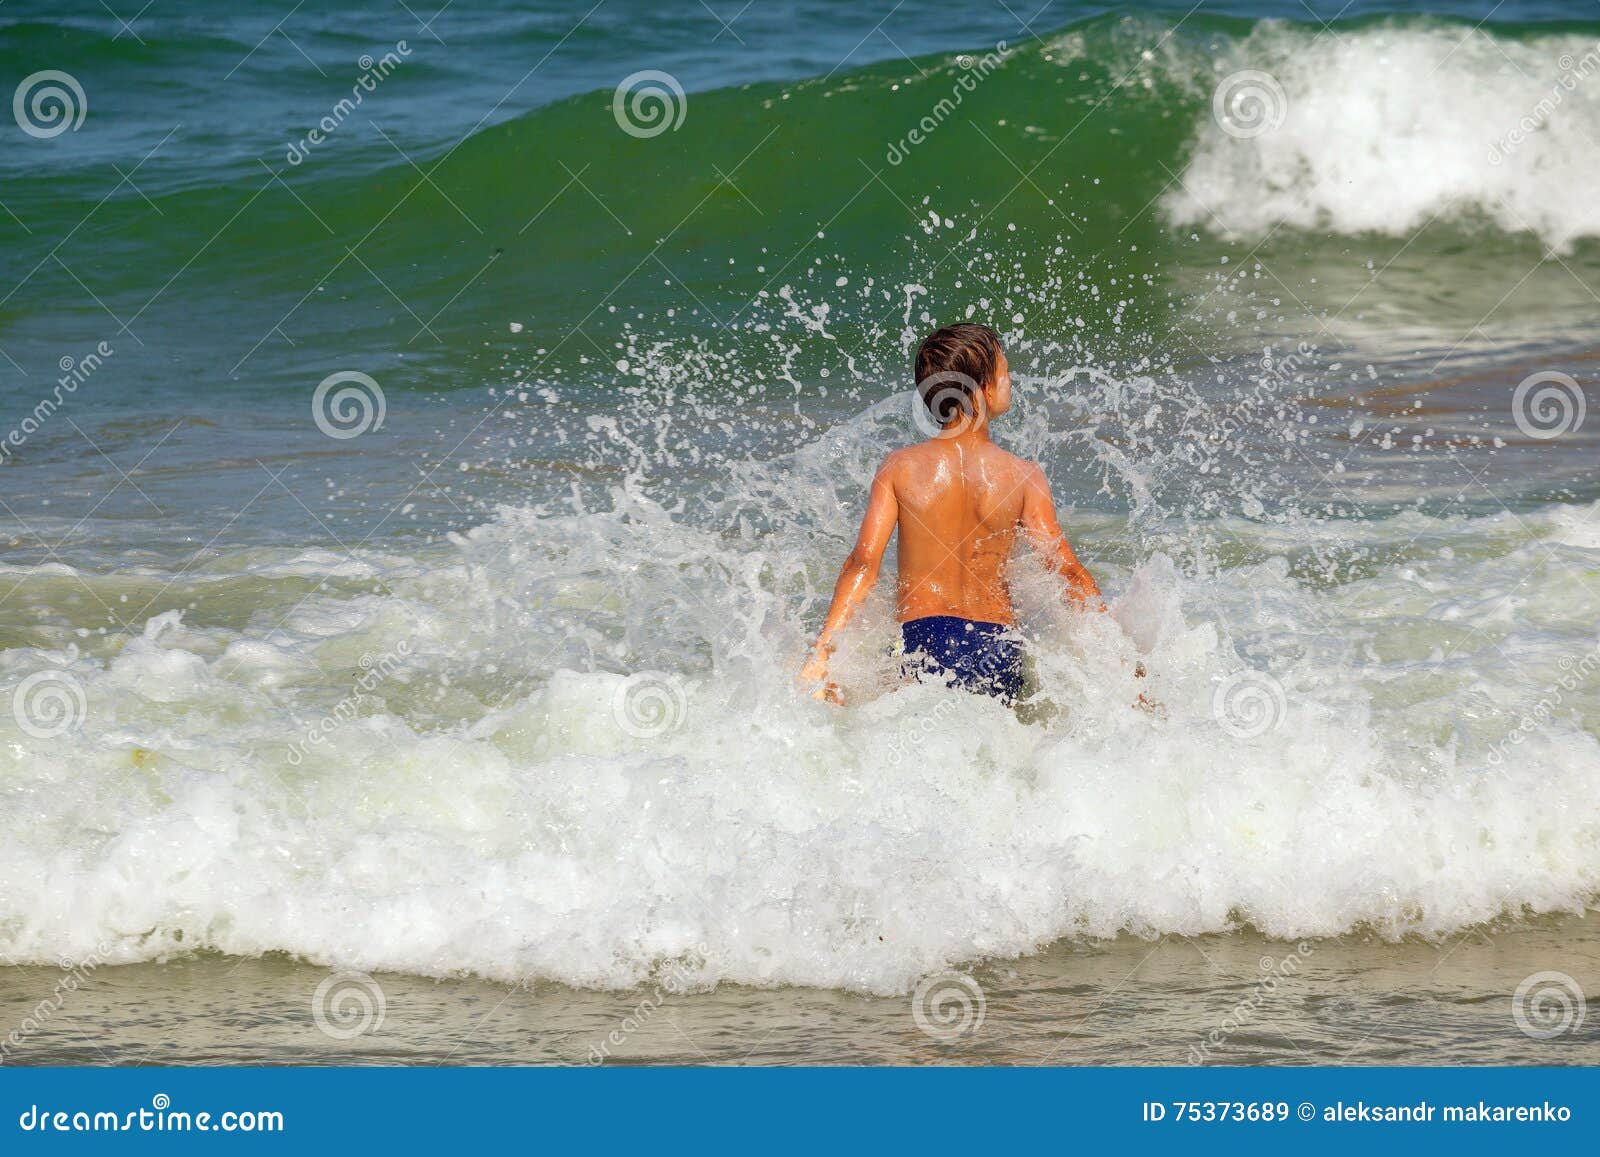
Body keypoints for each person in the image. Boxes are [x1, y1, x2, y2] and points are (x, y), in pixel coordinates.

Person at [800, 322, 1102, 706]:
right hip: (998, 648)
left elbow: (863, 564)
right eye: (1005, 372)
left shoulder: (900, 467)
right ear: (982, 389)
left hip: (926, 641)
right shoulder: (1024, 476)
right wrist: (1118, 653)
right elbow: (1066, 571)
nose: (1011, 381)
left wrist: (823, 653)